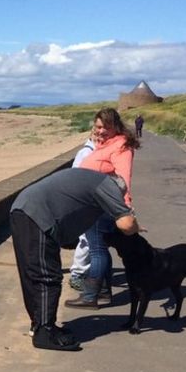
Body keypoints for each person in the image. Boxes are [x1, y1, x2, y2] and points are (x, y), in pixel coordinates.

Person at [10, 167, 140, 351]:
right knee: (46, 277)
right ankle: (44, 333)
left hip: (24, 209)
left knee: (33, 274)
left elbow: (73, 210)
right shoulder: (109, 186)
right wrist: (136, 227)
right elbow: (127, 225)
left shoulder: (93, 181)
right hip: (36, 214)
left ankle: (40, 325)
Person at [65, 108, 140, 309]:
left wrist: (125, 207)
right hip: (94, 204)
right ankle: (104, 293)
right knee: (100, 249)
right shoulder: (107, 144)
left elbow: (124, 178)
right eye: (98, 127)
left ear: (116, 126)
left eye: (106, 127)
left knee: (97, 251)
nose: (100, 131)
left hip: (102, 206)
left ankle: (90, 296)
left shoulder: (121, 146)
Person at [68, 135, 96, 291]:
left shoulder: (96, 151)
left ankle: (83, 272)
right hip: (85, 202)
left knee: (89, 240)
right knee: (85, 239)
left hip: (91, 201)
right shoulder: (85, 153)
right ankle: (77, 274)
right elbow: (75, 178)